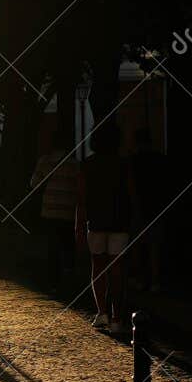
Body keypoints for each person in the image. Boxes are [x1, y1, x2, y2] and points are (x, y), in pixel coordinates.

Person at [76, 123, 133, 331]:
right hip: (120, 222)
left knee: (98, 267)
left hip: (96, 221)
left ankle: (102, 312)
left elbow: (81, 199)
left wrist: (79, 226)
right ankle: (117, 317)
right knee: (117, 270)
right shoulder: (124, 164)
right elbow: (131, 194)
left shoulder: (87, 165)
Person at [30, 142, 80, 288]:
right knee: (67, 244)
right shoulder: (74, 163)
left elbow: (34, 184)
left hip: (49, 210)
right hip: (68, 211)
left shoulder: (44, 161)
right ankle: (68, 274)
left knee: (52, 246)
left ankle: (53, 279)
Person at [127, 128, 168, 292]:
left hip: (138, 207)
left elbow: (130, 186)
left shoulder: (132, 161)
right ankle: (155, 280)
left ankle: (139, 278)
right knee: (154, 246)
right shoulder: (160, 159)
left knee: (137, 245)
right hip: (156, 206)